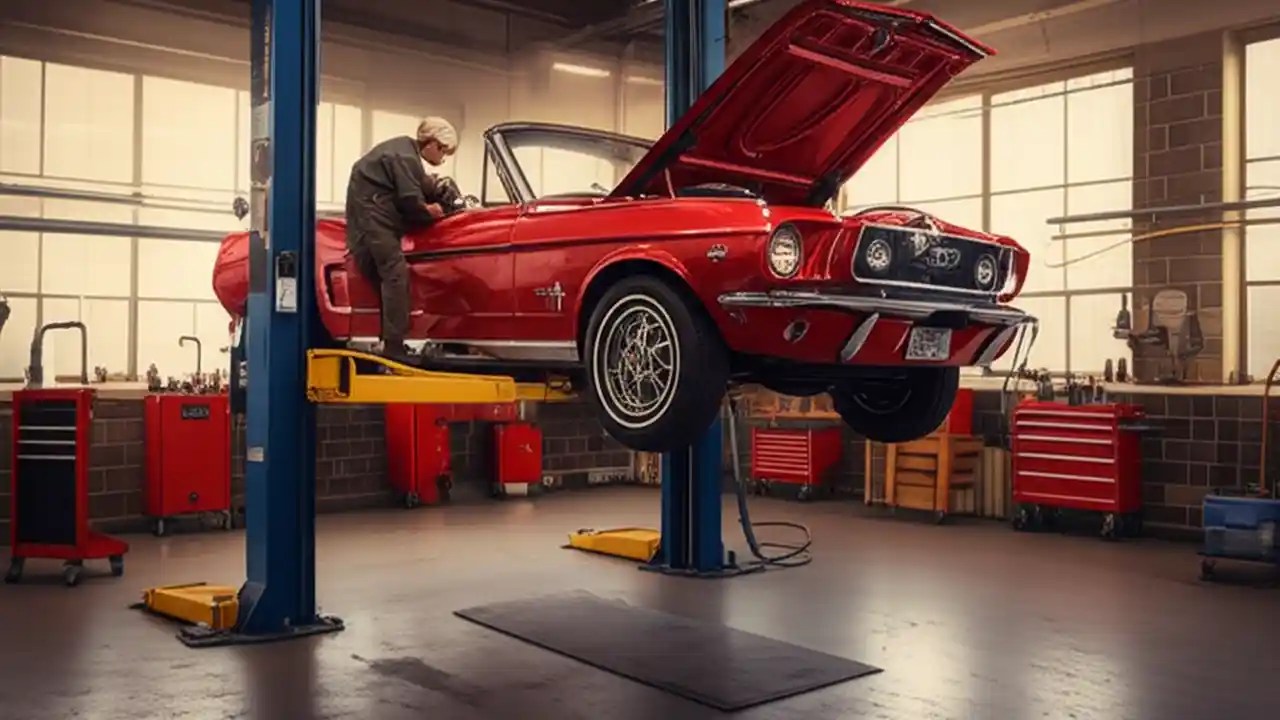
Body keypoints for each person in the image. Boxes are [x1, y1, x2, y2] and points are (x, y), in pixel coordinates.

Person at [344, 116, 462, 362]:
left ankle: (389, 341)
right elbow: (411, 201)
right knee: (395, 274)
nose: (443, 157)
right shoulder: (404, 157)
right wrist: (433, 211)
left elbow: (415, 185)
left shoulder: (403, 151)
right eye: (442, 150)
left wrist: (435, 188)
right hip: (373, 224)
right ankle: (394, 348)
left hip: (370, 220)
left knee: (390, 277)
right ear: (431, 143)